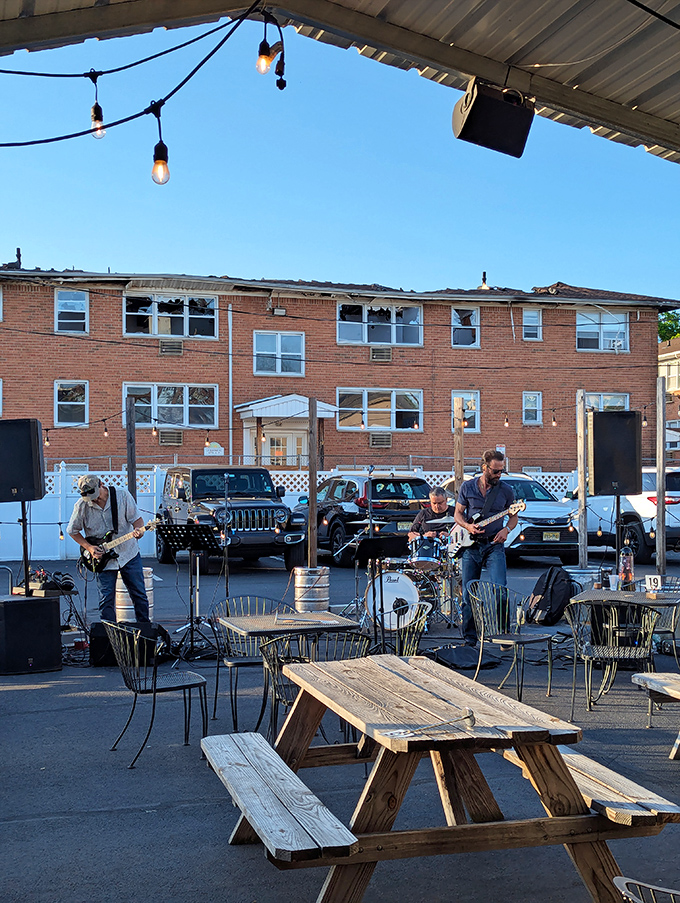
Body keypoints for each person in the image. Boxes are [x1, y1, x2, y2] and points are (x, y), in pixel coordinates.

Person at [67, 474, 151, 623]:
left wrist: (139, 531)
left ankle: (144, 635)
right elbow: (72, 531)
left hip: (128, 553)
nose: (93, 500)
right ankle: (110, 638)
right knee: (106, 600)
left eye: (95, 495)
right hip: (102, 559)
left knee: (139, 596)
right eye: (89, 497)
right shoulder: (82, 505)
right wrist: (89, 548)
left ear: (101, 485)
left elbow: (137, 520)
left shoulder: (122, 495)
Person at [454, 450, 518, 646]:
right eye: (496, 471)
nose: (499, 475)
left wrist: (507, 529)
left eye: (501, 471)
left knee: (500, 590)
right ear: (485, 468)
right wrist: (467, 526)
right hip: (470, 546)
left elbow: (513, 516)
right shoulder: (468, 487)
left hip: (494, 545)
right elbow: (458, 514)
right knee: (469, 593)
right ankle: (470, 639)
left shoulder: (506, 490)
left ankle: (504, 635)